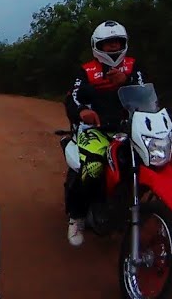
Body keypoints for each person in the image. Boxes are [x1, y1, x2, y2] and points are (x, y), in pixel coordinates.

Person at [60, 19, 147, 247]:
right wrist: (81, 111)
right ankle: (77, 217)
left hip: (129, 127)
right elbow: (74, 96)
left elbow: (147, 93)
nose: (114, 47)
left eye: (117, 42)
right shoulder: (87, 70)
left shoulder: (133, 66)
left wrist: (126, 81)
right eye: (108, 43)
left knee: (151, 160)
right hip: (96, 130)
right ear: (98, 46)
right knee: (93, 167)